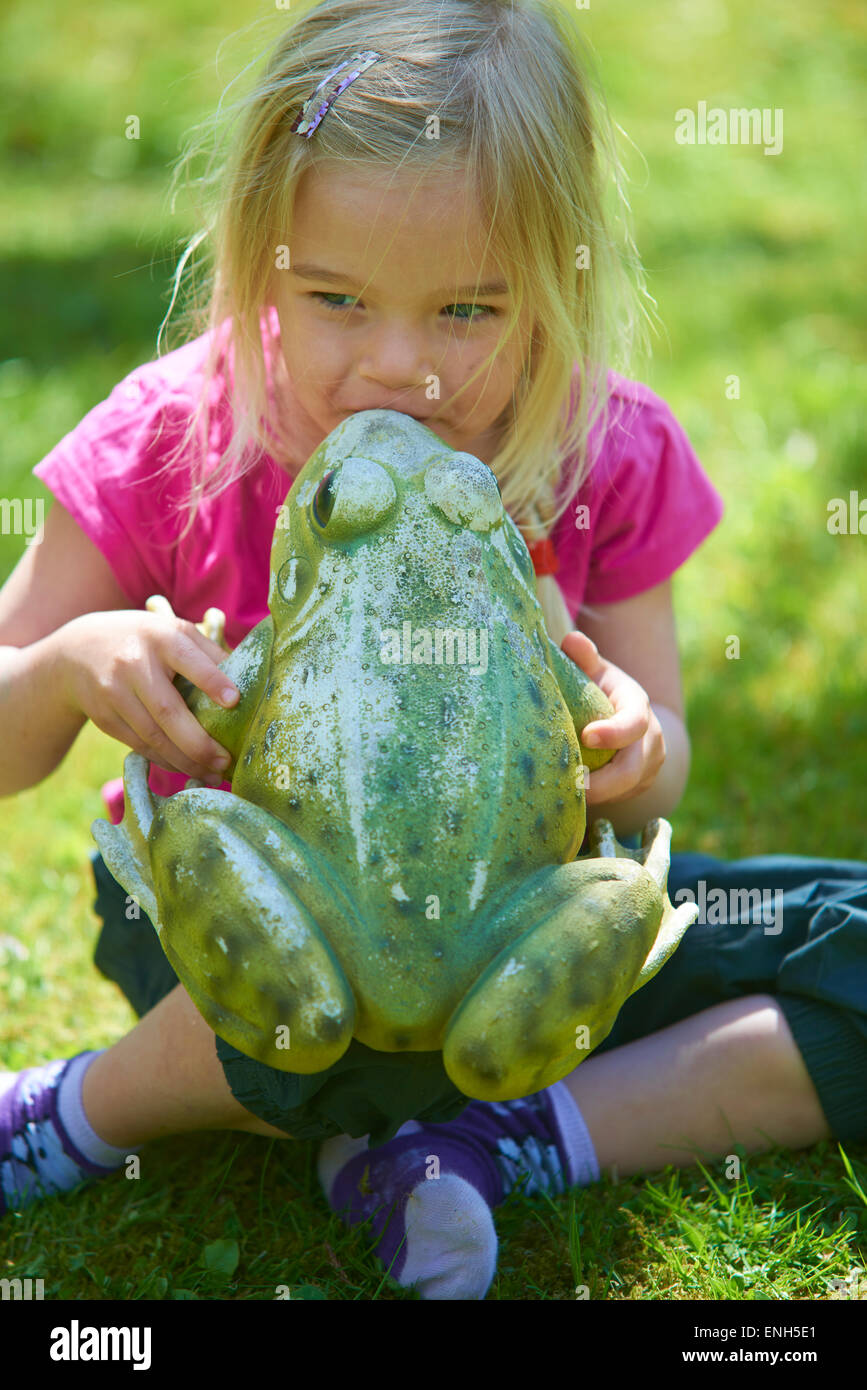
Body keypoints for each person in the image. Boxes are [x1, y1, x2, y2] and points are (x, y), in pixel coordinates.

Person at [1, 0, 864, 1303]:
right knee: (302, 1021)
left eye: (467, 308)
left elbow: (664, 764)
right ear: (255, 257)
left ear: (558, 277)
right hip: (252, 949)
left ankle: (481, 1139)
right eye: (336, 299)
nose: (398, 366)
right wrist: (72, 663)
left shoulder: (602, 450)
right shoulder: (173, 440)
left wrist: (637, 743)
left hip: (513, 952)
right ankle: (84, 1112)